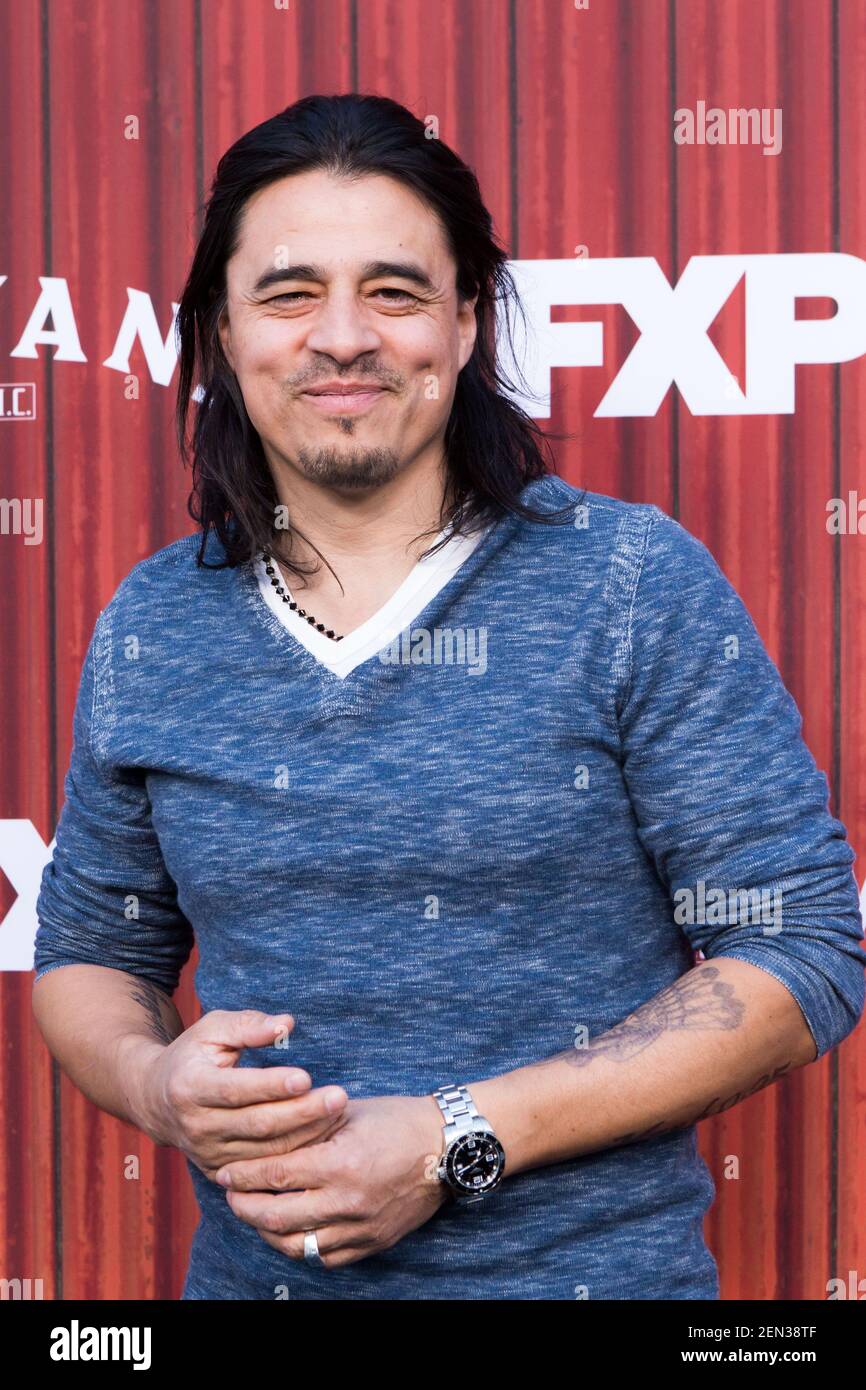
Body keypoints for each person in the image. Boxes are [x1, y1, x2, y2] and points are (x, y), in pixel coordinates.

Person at [32, 93, 865, 1301]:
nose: (341, 337)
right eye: (286, 292)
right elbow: (90, 958)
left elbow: (797, 948)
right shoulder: (152, 623)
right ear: (219, 332)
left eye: (394, 290)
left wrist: (449, 1135)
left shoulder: (625, 582)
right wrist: (158, 1086)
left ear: (465, 323)